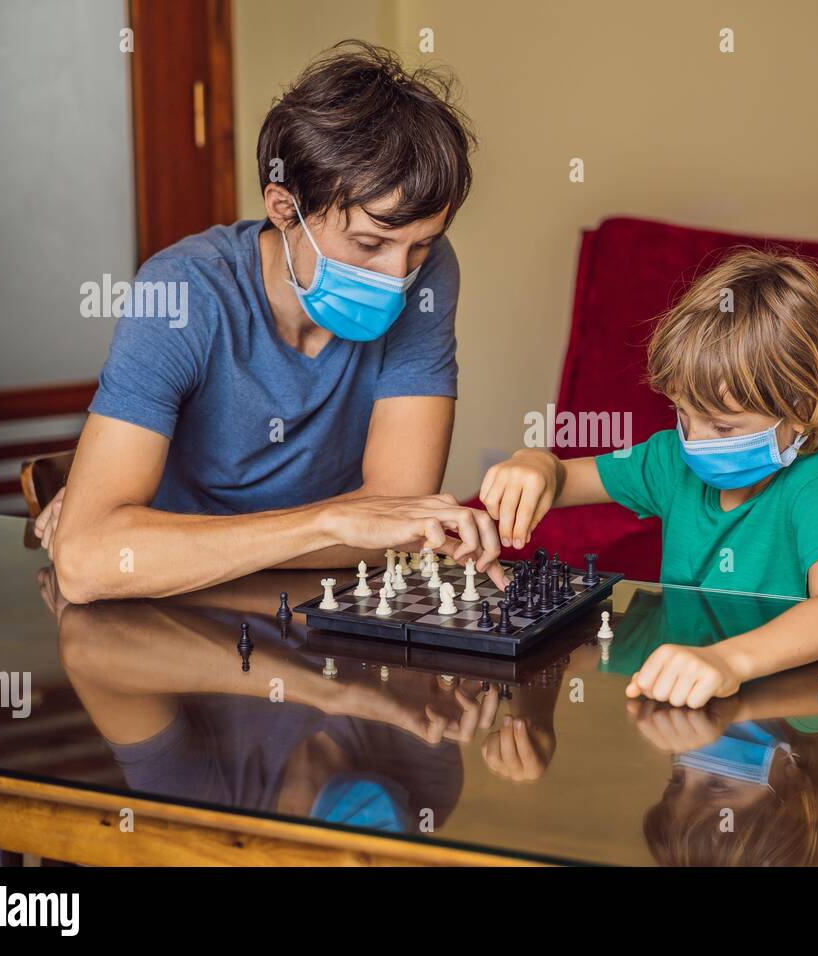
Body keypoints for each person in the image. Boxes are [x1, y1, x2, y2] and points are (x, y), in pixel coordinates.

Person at [37, 41, 505, 602]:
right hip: (175, 620)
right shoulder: (181, 292)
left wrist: (157, 541)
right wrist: (331, 523)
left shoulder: (429, 275)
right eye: (368, 244)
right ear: (285, 209)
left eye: (421, 246)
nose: (396, 275)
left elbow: (395, 518)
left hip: (315, 611)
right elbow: (90, 563)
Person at [478, 249, 818, 707]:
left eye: (723, 427)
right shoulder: (672, 458)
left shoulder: (817, 479)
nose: (696, 442)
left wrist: (729, 662)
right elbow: (563, 480)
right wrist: (538, 463)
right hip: (684, 705)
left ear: (802, 411)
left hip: (781, 717)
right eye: (683, 415)